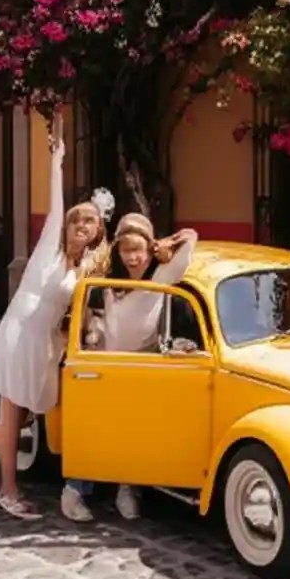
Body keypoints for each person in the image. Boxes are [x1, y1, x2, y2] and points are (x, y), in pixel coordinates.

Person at [0, 118, 114, 519]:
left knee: (19, 413)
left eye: (89, 222)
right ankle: (8, 491)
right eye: (77, 220)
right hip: (20, 332)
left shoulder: (86, 267)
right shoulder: (50, 249)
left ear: (97, 232)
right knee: (12, 409)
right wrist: (57, 157)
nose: (80, 225)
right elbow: (56, 201)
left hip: (45, 342)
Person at [61, 213, 198, 522]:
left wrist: (166, 245)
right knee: (95, 430)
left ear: (149, 250)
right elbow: (89, 321)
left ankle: (127, 490)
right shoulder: (107, 283)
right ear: (118, 252)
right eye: (126, 250)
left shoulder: (161, 276)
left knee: (134, 432)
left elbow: (191, 237)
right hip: (107, 362)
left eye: (139, 249)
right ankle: (74, 491)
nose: (133, 257)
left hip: (142, 364)